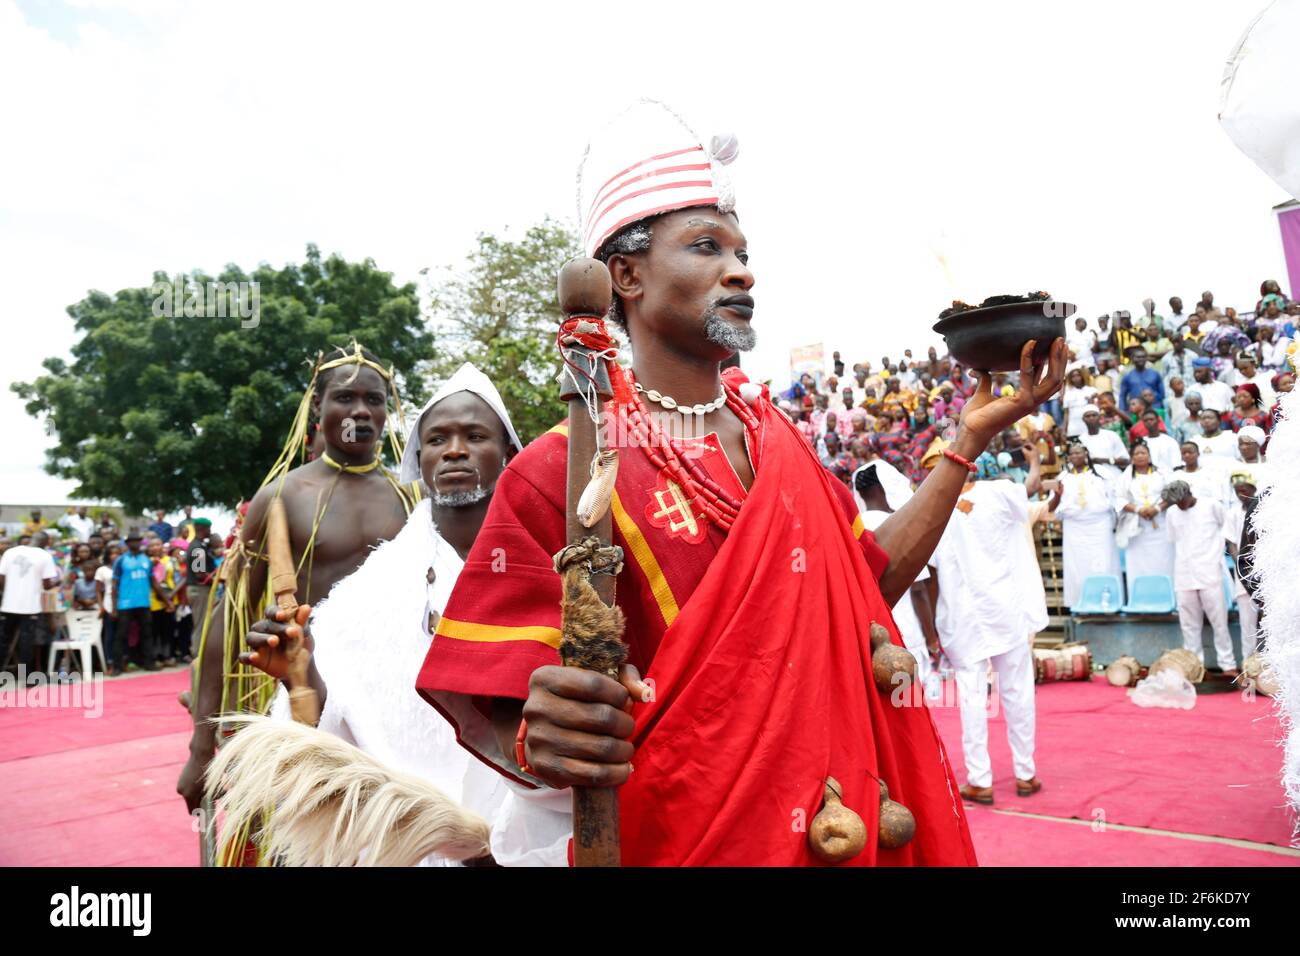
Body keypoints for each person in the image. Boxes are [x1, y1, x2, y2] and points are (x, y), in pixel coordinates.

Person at [415, 100, 1066, 866]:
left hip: (848, 820)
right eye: (705, 247)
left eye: (742, 250)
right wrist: (542, 733)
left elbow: (865, 585)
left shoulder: (783, 442)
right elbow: (495, 697)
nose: (742, 269)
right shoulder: (561, 467)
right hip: (688, 838)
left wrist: (969, 436)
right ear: (624, 275)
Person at [239, 363, 524, 865]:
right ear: (420, 457)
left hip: (530, 837)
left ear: (508, 453)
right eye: (437, 439)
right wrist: (303, 680)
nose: (454, 449)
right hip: (406, 843)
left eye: (475, 435)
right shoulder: (365, 593)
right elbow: (329, 730)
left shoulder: (547, 565)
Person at [177, 342, 417, 814]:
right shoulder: (282, 496)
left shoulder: (411, 497)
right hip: (307, 700)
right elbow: (229, 620)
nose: (361, 410)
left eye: (374, 399)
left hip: (399, 705)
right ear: (317, 407)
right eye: (345, 398)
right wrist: (201, 747)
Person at [930, 447, 1047, 804]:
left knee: (971, 697)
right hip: (1004, 610)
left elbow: (931, 571)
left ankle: (980, 780)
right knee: (1017, 692)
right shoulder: (997, 491)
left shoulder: (934, 510)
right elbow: (1030, 486)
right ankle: (1025, 774)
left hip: (962, 616)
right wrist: (1034, 461)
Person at [852, 460, 939, 697]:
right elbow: (919, 590)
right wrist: (932, 638)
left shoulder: (851, 529)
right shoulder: (900, 528)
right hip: (903, 634)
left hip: (864, 637)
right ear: (885, 488)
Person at [1159, 481, 1236, 676]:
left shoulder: (1211, 505)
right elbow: (1173, 539)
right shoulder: (1171, 513)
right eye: (1174, 503)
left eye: (1180, 501)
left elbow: (1227, 530)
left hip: (1210, 571)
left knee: (1219, 622)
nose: (1178, 505)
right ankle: (1194, 667)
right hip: (1184, 573)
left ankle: (1228, 665)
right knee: (1189, 624)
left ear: (1189, 494)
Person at [1050, 443, 1120, 606]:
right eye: (1072, 454)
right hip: (1074, 528)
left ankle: (1106, 602)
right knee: (1076, 567)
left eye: (1078, 453)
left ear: (1086, 454)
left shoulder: (1102, 473)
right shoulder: (1063, 477)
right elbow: (1055, 504)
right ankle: (1079, 603)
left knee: (1103, 563)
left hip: (1099, 525)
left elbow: (1114, 497)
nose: (1075, 456)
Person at [1113, 441, 1175, 594]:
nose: (1140, 456)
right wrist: (1137, 509)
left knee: (1164, 562)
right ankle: (1141, 597)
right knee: (1138, 565)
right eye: (1136, 454)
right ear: (1131, 457)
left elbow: (1173, 493)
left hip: (1160, 525)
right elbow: (1118, 499)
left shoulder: (1162, 474)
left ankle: (1166, 596)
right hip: (1136, 528)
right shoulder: (1125, 477)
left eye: (1143, 453)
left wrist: (1158, 508)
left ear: (1149, 456)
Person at [0, 532, 61, 673]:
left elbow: (1, 580)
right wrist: (58, 582)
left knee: (3, 640)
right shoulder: (44, 555)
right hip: (30, 607)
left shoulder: (10, 552)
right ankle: (26, 677)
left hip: (8, 605)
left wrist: (10, 593)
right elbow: (46, 585)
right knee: (26, 643)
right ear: (46, 542)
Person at [111, 531, 168, 674]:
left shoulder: (146, 560)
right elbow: (114, 584)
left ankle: (148, 662)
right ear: (128, 543)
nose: (135, 543)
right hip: (125, 603)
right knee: (121, 635)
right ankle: (117, 666)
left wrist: (166, 600)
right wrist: (114, 607)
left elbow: (153, 581)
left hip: (143, 603)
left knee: (147, 634)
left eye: (138, 540)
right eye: (132, 541)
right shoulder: (121, 560)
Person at [1078, 404, 1129, 482]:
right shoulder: (1081, 439)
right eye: (1087, 416)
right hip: (1089, 479)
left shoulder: (1111, 435)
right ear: (1083, 419)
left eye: (1094, 415)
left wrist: (1103, 460)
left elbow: (1125, 460)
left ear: (1099, 417)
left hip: (1114, 477)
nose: (1091, 418)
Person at [95, 542, 122, 673]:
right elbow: (98, 590)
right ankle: (109, 662)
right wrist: (101, 607)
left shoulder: (124, 567)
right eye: (112, 553)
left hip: (123, 603)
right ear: (107, 555)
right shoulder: (102, 570)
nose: (115, 556)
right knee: (109, 635)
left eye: (117, 553)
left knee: (121, 635)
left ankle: (121, 661)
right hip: (108, 604)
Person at [1136, 408, 1181, 472]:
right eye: (1146, 420)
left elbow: (1176, 464)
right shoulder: (1141, 442)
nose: (1149, 422)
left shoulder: (1170, 441)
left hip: (1169, 476)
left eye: (1151, 419)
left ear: (1158, 420)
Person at [1235, 424, 1269, 489]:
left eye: (1248, 444)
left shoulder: (1268, 463)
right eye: (1240, 444)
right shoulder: (1233, 464)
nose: (1244, 447)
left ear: (1258, 445)